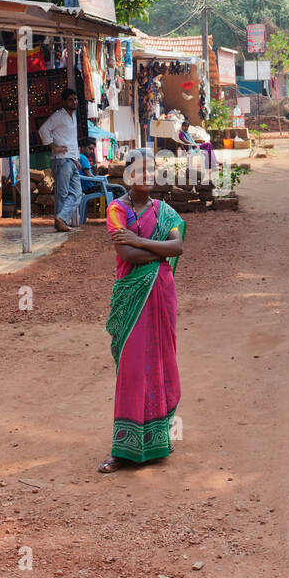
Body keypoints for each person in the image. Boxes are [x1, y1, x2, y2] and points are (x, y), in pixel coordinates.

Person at [99, 149, 186, 474]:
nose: (148, 176)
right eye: (142, 171)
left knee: (161, 363)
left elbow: (177, 247)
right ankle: (124, 449)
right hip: (133, 296)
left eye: (153, 170)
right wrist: (155, 249)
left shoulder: (164, 211)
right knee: (133, 369)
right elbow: (126, 253)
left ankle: (158, 440)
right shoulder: (116, 209)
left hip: (161, 295)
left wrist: (142, 242)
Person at [38, 88, 81, 232]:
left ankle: (61, 218)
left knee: (77, 192)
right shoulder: (58, 116)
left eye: (75, 99)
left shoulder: (73, 116)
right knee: (62, 193)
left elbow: (72, 140)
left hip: (72, 160)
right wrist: (53, 147)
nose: (74, 102)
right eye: (70, 99)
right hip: (61, 160)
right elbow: (43, 130)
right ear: (64, 101)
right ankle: (61, 223)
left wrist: (77, 158)